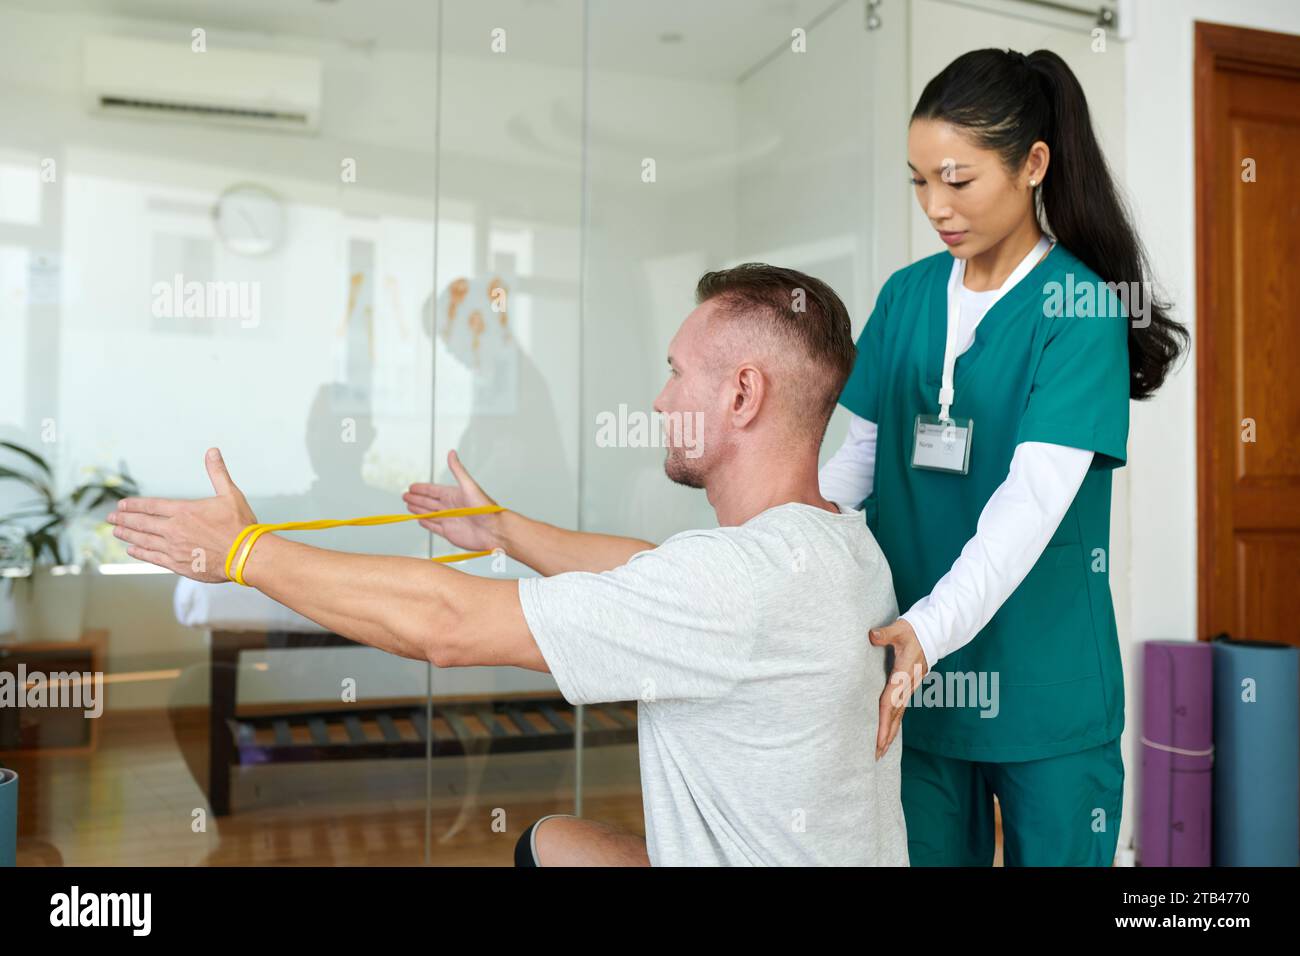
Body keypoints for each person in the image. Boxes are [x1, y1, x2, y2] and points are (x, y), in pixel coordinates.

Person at [110, 263, 909, 867]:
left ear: (742, 395)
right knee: (551, 842)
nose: (661, 403)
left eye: (675, 372)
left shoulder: (732, 585)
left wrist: (243, 552)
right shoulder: (844, 546)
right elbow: (653, 567)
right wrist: (501, 529)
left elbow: (447, 625)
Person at [820, 48, 1188, 867]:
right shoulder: (907, 296)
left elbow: (1027, 510)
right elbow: (854, 468)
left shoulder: (1079, 308)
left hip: (1042, 695)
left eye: (958, 179)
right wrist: (763, 544)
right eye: (919, 181)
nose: (935, 206)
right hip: (918, 687)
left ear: (1033, 165)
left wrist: (926, 630)